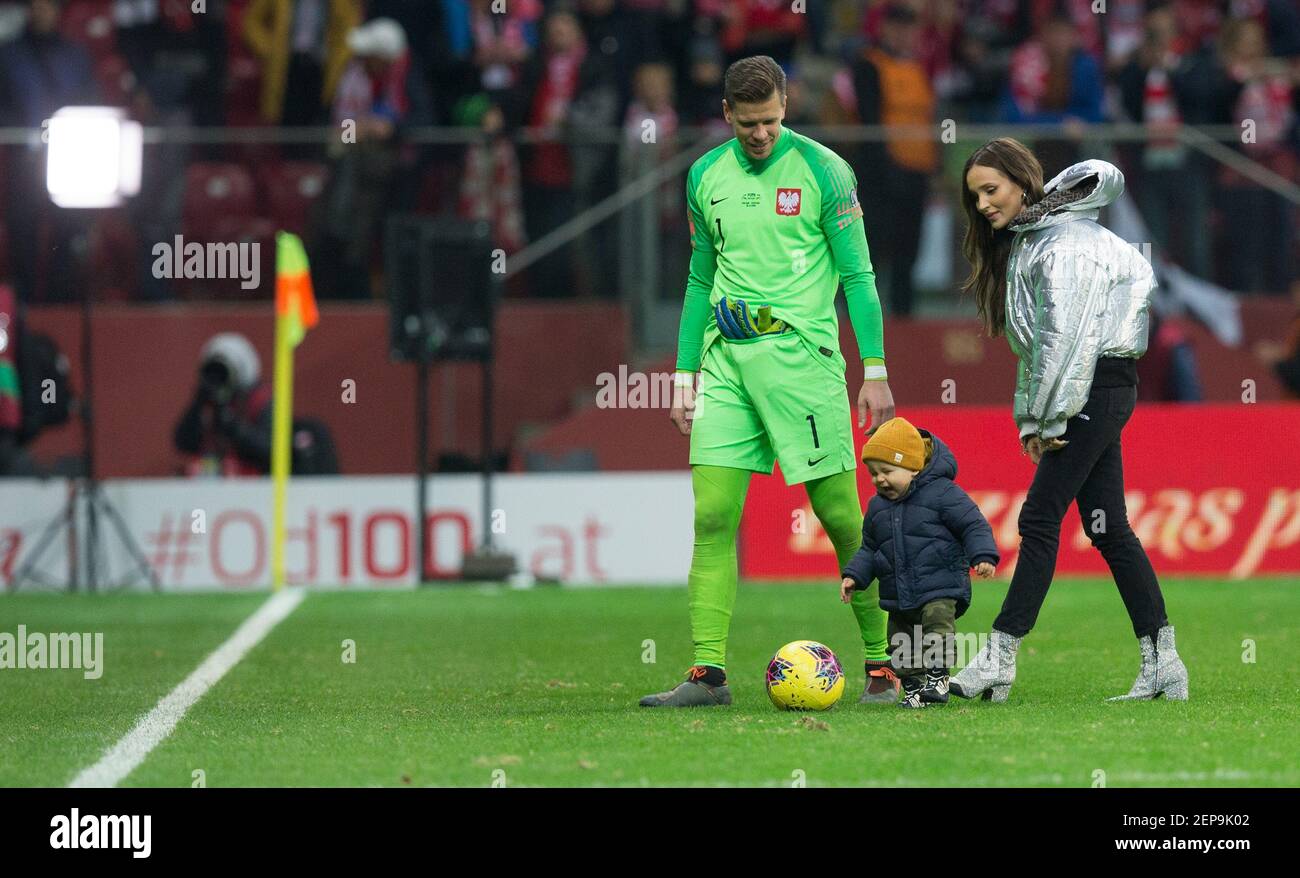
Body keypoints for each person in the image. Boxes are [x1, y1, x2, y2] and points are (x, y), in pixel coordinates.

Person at [640, 55, 897, 708]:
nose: (761, 135)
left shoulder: (825, 171)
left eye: (773, 121)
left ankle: (884, 666)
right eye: (749, 123)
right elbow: (700, 278)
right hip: (725, 360)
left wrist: (874, 369)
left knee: (842, 517)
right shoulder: (704, 175)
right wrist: (682, 375)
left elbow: (860, 278)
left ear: (787, 108)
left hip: (802, 362)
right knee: (713, 514)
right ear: (727, 114)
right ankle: (707, 675)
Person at [952, 137, 1188, 703]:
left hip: (1091, 390)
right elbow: (1044, 348)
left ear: (1022, 181)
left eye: (991, 189)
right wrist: (1034, 416)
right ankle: (1164, 662)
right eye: (975, 196)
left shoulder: (1062, 245)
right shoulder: (1048, 238)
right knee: (1109, 528)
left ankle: (998, 658)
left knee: (1038, 519)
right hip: (1099, 388)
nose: (984, 204)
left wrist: (1046, 418)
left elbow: (1065, 343)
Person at [840, 418, 999, 709]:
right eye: (873, 473)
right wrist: (854, 575)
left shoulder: (944, 493)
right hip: (899, 594)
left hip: (940, 585)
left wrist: (984, 556)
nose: (879, 480)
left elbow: (973, 526)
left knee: (936, 625)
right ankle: (914, 689)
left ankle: (938, 678)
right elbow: (870, 549)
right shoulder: (877, 507)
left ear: (914, 467)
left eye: (887, 471)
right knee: (901, 644)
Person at [173, 333, 274, 477]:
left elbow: (267, 450)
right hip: (207, 481)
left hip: (251, 484)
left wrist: (231, 423)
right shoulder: (207, 403)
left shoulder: (259, 400)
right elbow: (183, 443)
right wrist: (198, 404)